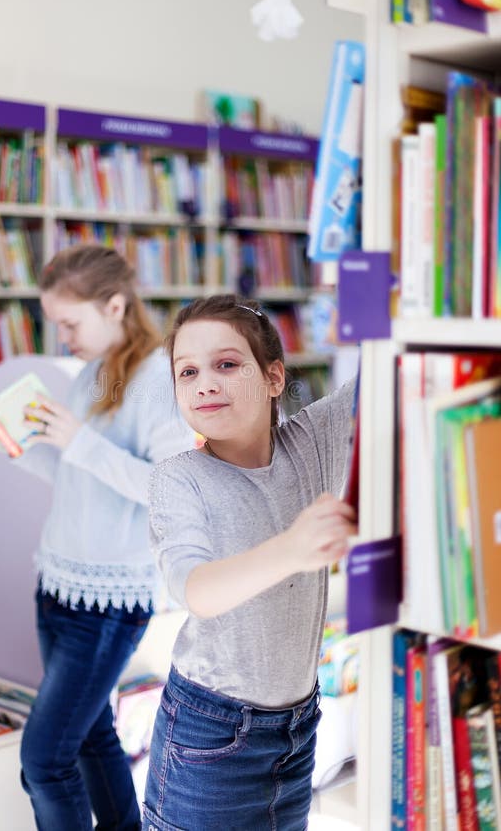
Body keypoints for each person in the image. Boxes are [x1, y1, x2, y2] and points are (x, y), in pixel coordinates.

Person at [0, 243, 195, 831]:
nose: (63, 335)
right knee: (93, 736)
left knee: (44, 761)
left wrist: (79, 443)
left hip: (108, 602)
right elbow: (76, 475)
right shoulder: (92, 372)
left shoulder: (157, 379)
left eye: (70, 322)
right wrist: (12, 447)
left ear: (115, 304)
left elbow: (167, 490)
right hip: (58, 584)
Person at [142, 294, 357, 831]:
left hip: (299, 726)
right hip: (210, 736)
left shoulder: (310, 443)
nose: (204, 383)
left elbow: (391, 374)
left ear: (274, 378)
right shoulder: (178, 478)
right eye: (186, 372)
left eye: (227, 364)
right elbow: (194, 588)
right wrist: (291, 547)